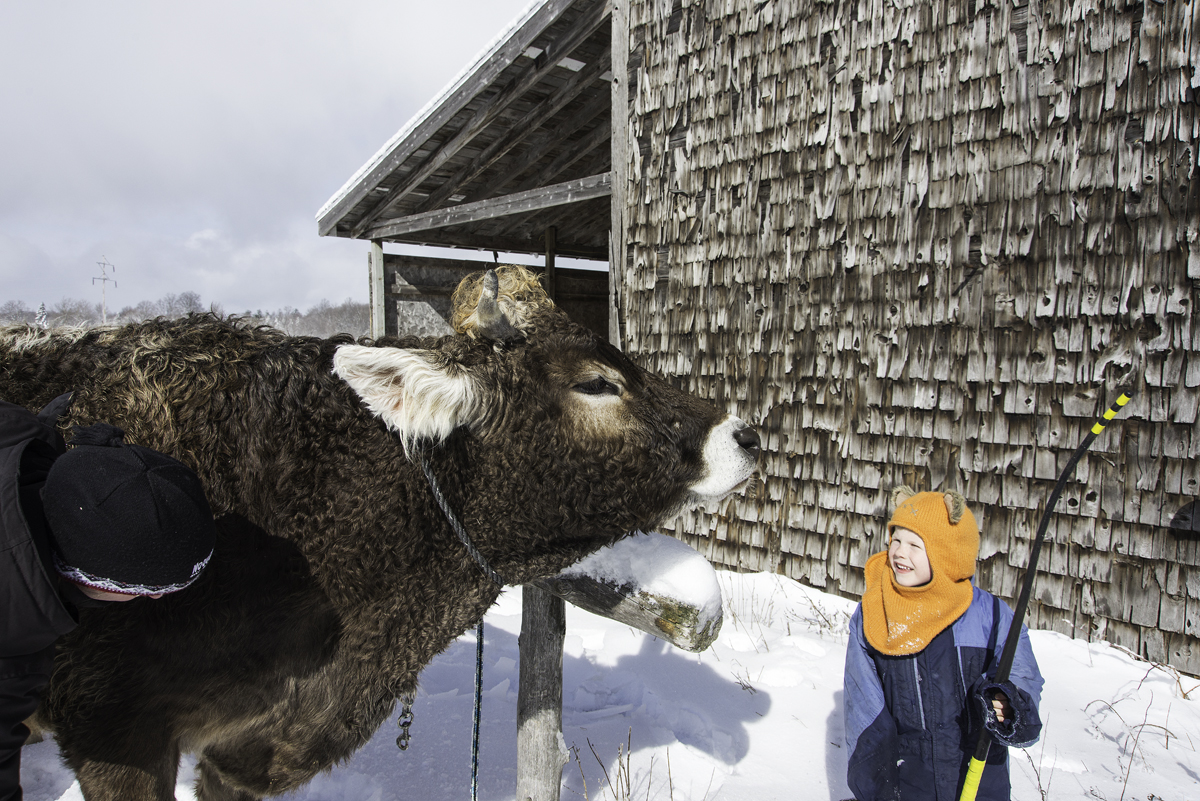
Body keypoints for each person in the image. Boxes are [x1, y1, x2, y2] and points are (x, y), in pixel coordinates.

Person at [1, 394, 217, 801]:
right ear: (98, 581)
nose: (153, 601)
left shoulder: (15, 429)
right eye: (145, 590)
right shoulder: (12, 646)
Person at [843, 487, 1044, 801]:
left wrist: (1009, 704)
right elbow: (864, 710)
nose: (898, 552)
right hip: (907, 784)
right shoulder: (874, 614)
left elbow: (1024, 678)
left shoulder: (990, 616)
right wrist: (876, 786)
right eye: (895, 539)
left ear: (947, 551)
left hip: (979, 781)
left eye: (914, 544)